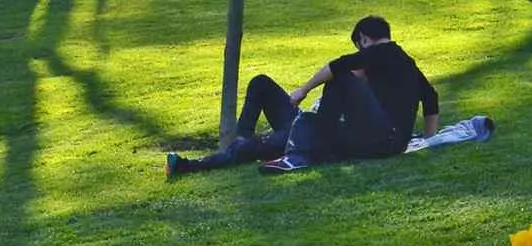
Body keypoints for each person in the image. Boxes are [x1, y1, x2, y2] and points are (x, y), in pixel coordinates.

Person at [168, 16, 439, 175]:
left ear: (365, 40)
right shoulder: (404, 66)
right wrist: (427, 140)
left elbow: (336, 67)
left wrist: (303, 89)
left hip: (366, 137)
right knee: (264, 100)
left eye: (360, 48)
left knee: (336, 79)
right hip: (340, 130)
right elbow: (431, 100)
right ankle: (195, 162)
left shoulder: (382, 54)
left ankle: (305, 152)